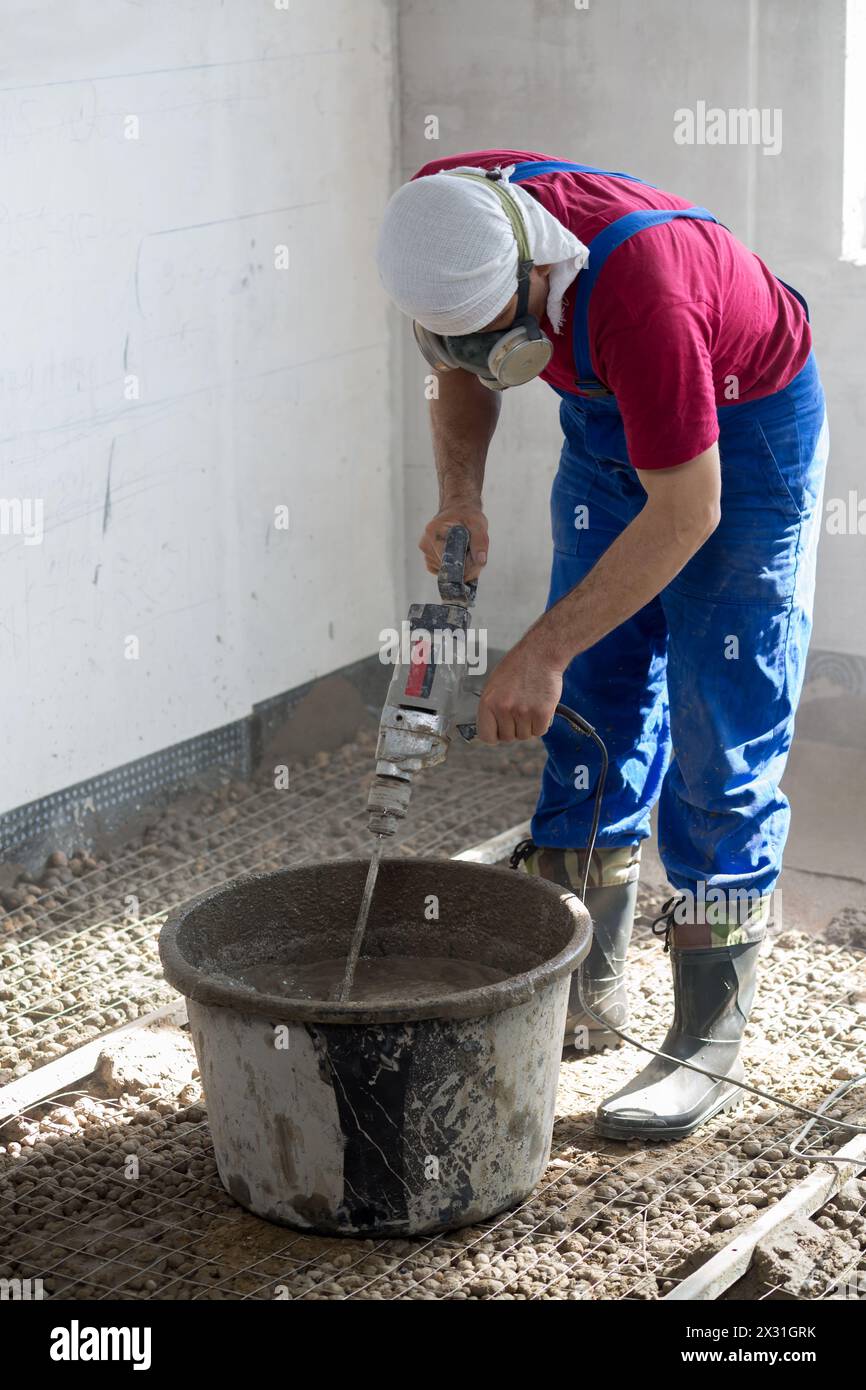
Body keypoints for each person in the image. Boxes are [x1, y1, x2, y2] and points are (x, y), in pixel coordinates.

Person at [375, 150, 828, 1141]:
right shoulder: (445, 212)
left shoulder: (644, 290)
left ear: (535, 275)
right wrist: (459, 496)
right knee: (592, 706)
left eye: (500, 335)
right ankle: (583, 984)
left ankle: (704, 1029)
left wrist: (535, 648)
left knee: (718, 730)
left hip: (741, 435)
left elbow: (687, 510)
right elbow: (457, 365)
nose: (479, 353)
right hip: (608, 415)